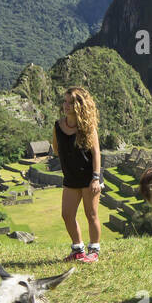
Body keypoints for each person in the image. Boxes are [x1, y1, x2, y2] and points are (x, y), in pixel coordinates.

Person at [53, 87, 103, 263]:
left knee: (91, 214)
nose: (66, 106)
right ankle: (78, 249)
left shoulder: (88, 127)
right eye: (65, 101)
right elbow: (56, 148)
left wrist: (96, 178)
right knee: (67, 215)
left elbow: (96, 153)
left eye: (71, 102)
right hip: (71, 179)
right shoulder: (58, 126)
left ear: (80, 105)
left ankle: (94, 251)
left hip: (89, 179)